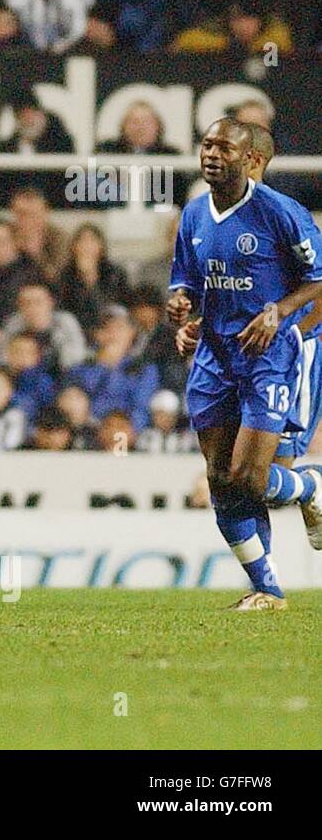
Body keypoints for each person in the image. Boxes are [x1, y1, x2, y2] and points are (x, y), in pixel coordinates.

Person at [167, 118, 322, 611]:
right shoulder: (193, 214)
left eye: (224, 148)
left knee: (252, 478)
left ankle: (311, 486)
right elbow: (188, 282)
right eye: (207, 145)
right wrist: (182, 310)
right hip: (214, 355)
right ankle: (267, 590)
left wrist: (280, 312)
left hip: (267, 355)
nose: (211, 154)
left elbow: (319, 277)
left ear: (251, 160)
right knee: (219, 478)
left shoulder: (280, 213)